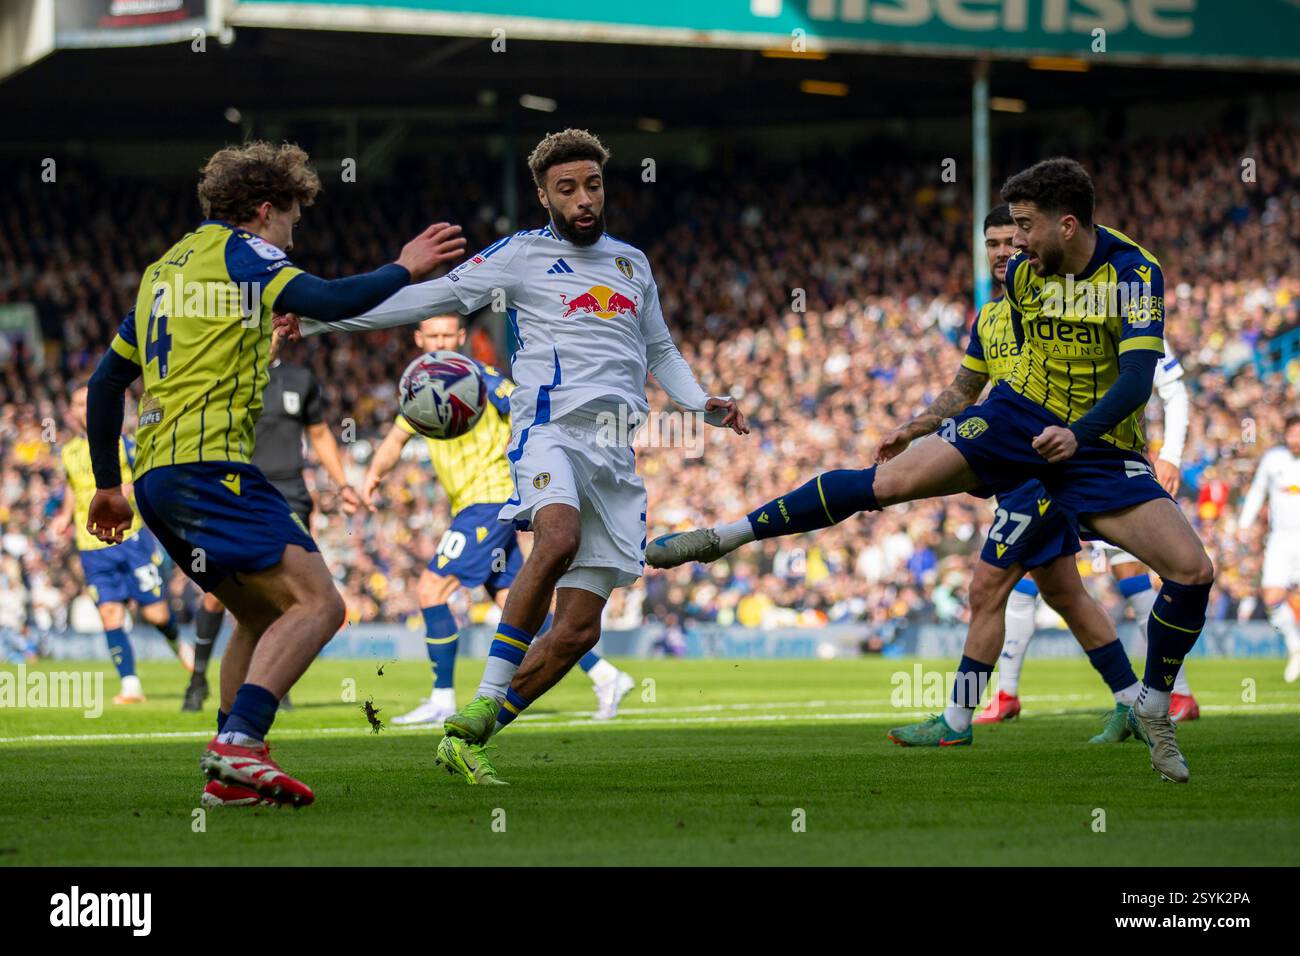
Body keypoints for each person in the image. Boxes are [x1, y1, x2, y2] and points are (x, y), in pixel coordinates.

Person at [649, 158, 1215, 783]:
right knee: (890, 485)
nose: (1015, 246)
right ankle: (726, 536)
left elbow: (1137, 379)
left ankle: (1152, 705)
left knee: (1190, 572)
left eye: (1023, 228)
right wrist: (925, 426)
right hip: (1018, 423)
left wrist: (1076, 434)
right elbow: (983, 382)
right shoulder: (1022, 281)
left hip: (1097, 447)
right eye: (1007, 234)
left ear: (1068, 224)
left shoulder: (1135, 273)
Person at [279, 128, 746, 783]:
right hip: (549, 430)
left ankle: (473, 733)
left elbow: (661, 349)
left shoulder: (632, 263)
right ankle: (478, 701)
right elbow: (429, 297)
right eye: (567, 189)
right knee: (554, 539)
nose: (583, 199)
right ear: (543, 196)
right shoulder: (522, 256)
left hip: (616, 457)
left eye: (592, 185)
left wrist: (701, 402)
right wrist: (323, 318)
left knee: (578, 632)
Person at [85, 141, 465, 807]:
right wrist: (405, 267)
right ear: (264, 212)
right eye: (292, 219)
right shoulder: (249, 252)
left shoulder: (160, 273)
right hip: (210, 468)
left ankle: (227, 780)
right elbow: (331, 296)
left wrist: (108, 485)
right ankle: (242, 742)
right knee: (321, 603)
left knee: (257, 616)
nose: (293, 234)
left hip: (156, 477)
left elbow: (104, 382)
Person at [875, 205, 1140, 747]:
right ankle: (1132, 702)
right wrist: (916, 428)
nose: (1002, 251)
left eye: (1009, 239)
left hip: (1052, 466)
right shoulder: (991, 318)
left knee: (986, 586)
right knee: (1067, 595)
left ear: (1032, 238)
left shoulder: (1068, 299)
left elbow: (1114, 373)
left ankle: (955, 722)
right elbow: (963, 392)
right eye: (992, 243)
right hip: (1017, 466)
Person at [364, 313, 634, 726]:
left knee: (430, 590)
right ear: (419, 338)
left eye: (447, 334)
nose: (440, 342)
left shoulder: (486, 382)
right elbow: (397, 439)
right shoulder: (422, 389)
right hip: (470, 506)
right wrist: (371, 478)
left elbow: (531, 414)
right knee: (518, 604)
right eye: (432, 335)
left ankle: (441, 697)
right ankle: (605, 674)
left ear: (461, 336)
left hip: (489, 503)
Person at [975, 333, 1198, 724]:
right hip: (1048, 468)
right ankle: (1004, 692)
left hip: (1110, 469)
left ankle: (1176, 693)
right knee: (1027, 574)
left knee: (1132, 579)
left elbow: (1174, 390)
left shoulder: (1134, 318)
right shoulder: (1043, 316)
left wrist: (1172, 455)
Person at [182, 336, 362, 712]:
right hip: (237, 490)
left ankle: (274, 683)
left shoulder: (300, 379)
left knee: (289, 594)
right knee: (218, 594)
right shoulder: (224, 376)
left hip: (290, 496)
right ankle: (197, 679)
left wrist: (343, 483)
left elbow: (317, 434)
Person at [54, 385, 192, 704]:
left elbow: (145, 476)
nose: (83, 408)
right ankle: (130, 685)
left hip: (131, 540)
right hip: (91, 546)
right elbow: (73, 487)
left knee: (156, 614)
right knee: (110, 613)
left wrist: (126, 491)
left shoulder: (124, 445)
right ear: (72, 412)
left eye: (88, 401)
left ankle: (177, 643)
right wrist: (63, 515)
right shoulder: (69, 452)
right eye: (77, 403)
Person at [1239, 414, 1300, 683]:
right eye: (1293, 433)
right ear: (1286, 434)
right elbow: (1257, 491)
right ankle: (1295, 647)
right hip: (1281, 539)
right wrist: (1244, 523)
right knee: (1272, 596)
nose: (1296, 439)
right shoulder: (1273, 460)